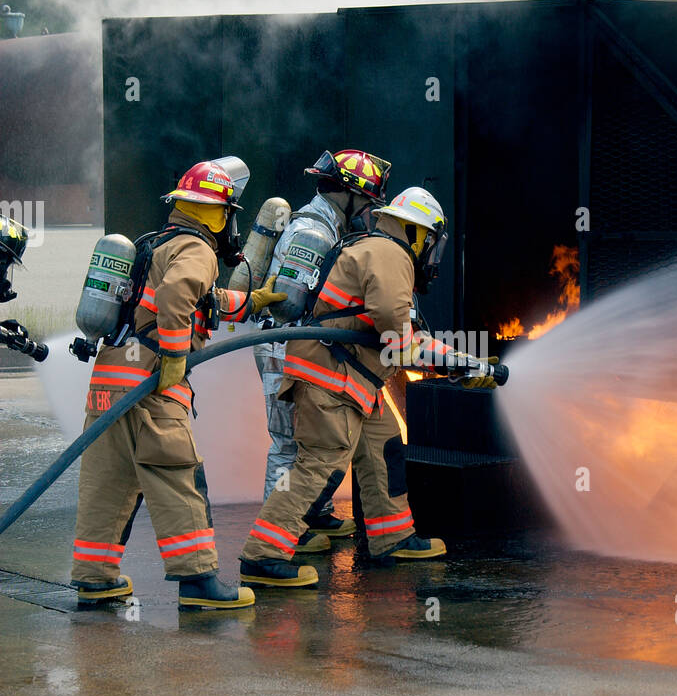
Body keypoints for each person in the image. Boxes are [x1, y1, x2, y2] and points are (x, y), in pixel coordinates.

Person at [70, 160, 286, 609]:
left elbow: (200, 301)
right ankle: (198, 581)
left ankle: (95, 577)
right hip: (152, 386)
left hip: (110, 381)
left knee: (107, 482)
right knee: (178, 475)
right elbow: (175, 297)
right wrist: (172, 356)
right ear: (217, 213)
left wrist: (251, 302)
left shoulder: (156, 243)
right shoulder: (197, 248)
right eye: (228, 212)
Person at [239, 186, 459, 588]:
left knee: (382, 446)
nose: (430, 252)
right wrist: (458, 363)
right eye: (429, 240)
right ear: (416, 232)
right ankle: (263, 556)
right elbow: (400, 337)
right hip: (331, 380)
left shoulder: (375, 247)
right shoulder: (390, 253)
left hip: (353, 378)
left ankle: (391, 537)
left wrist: (457, 362)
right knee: (317, 466)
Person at [253, 148, 389, 550]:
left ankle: (313, 512)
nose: (368, 210)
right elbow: (291, 305)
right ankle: (280, 531)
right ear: (347, 194)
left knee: (313, 439)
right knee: (288, 443)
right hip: (283, 345)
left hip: (299, 346)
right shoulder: (313, 233)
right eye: (366, 201)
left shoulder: (329, 228)